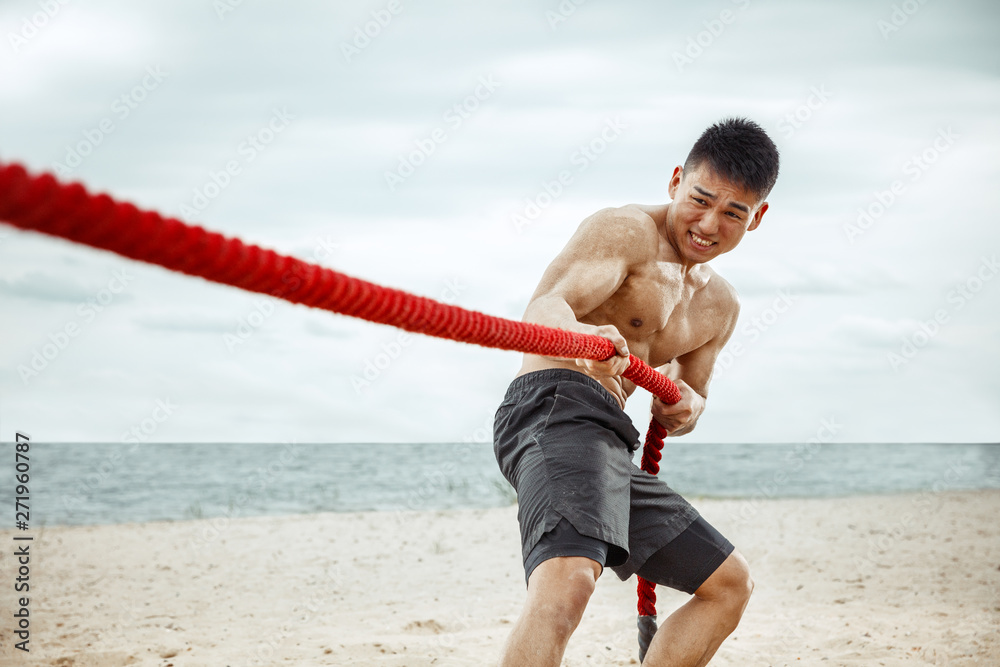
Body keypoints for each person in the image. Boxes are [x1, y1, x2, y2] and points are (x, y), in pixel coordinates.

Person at [492, 117, 780, 666]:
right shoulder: (625, 231)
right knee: (568, 580)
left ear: (757, 217)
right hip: (555, 405)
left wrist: (687, 407)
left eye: (733, 213)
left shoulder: (719, 306)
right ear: (675, 180)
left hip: (610, 442)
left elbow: (687, 405)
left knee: (728, 585)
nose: (709, 223)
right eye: (700, 199)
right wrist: (582, 338)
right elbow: (546, 306)